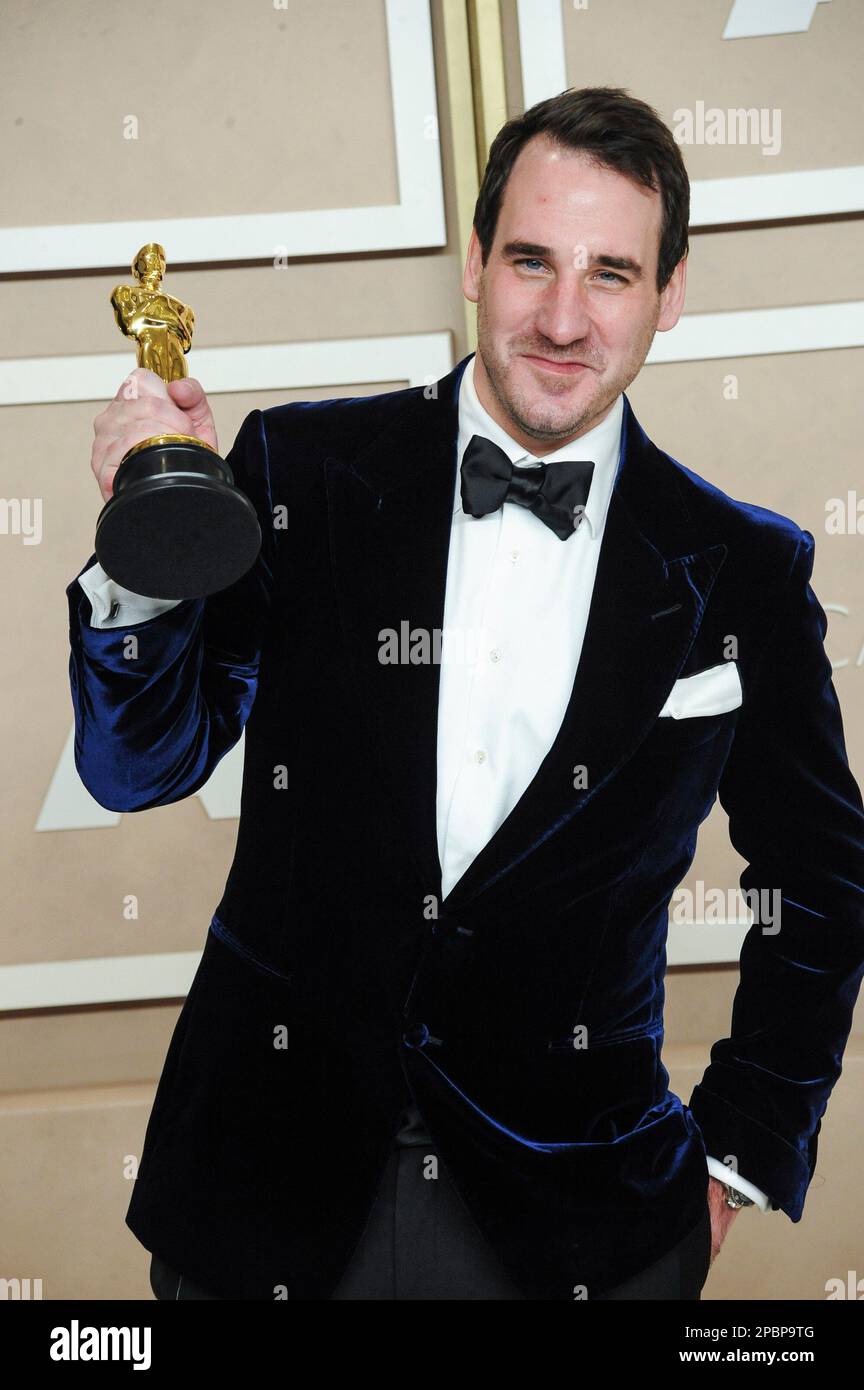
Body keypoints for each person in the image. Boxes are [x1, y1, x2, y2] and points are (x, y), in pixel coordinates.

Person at [68, 87, 864, 1300]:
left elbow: (822, 884)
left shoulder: (745, 569)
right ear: (475, 263)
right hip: (266, 1190)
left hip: (580, 1226)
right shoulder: (302, 472)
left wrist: (743, 1153)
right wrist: (151, 542)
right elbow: (139, 767)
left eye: (611, 274)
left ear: (671, 293)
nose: (561, 316)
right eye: (532, 260)